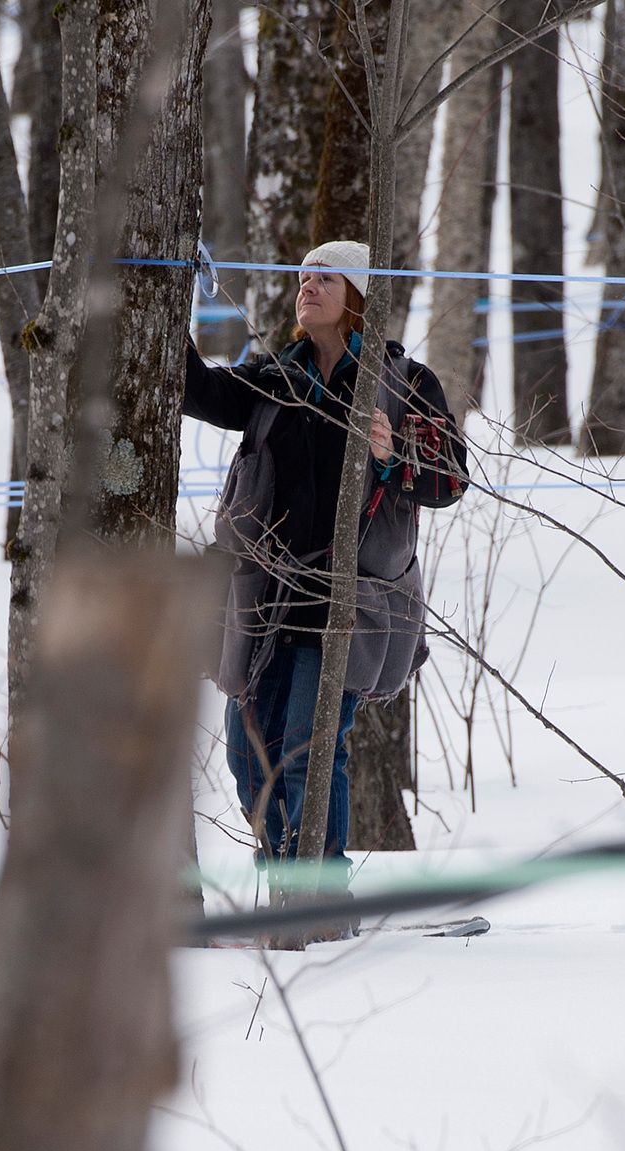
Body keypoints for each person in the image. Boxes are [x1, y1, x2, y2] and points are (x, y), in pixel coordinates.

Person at [183, 240, 467, 930]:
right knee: (251, 763)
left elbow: (450, 479)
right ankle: (283, 894)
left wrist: (391, 449)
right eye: (304, 276)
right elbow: (196, 390)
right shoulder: (278, 376)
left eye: (325, 277)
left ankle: (321, 907)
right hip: (266, 603)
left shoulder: (402, 381)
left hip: (347, 603)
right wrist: (172, 294)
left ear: (359, 297)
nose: (306, 286)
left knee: (309, 756)